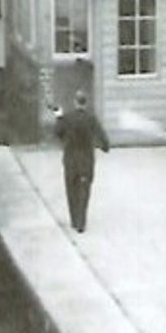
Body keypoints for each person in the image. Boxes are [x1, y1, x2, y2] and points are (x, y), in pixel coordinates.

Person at [53, 90, 110, 232]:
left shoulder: (68, 118)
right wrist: (104, 146)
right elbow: (103, 139)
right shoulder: (91, 119)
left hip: (70, 160)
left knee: (71, 190)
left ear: (75, 102)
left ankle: (73, 219)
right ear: (86, 102)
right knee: (84, 191)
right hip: (86, 161)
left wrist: (59, 117)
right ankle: (81, 222)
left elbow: (57, 133)